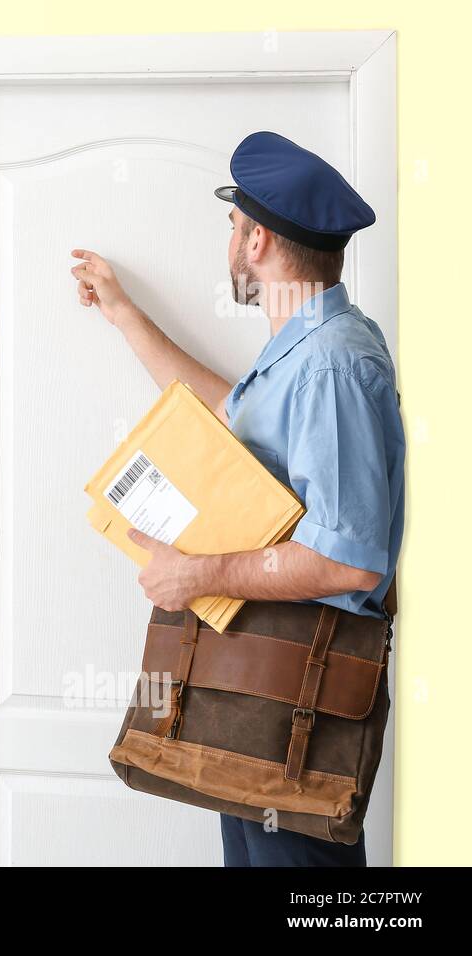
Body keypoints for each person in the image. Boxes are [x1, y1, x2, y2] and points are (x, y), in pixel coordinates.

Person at [70, 130, 404, 867]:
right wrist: (125, 315)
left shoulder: (330, 367)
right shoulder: (305, 352)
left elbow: (348, 562)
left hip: (296, 698)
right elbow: (231, 421)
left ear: (257, 241)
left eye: (232, 226)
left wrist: (197, 576)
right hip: (264, 694)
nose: (228, 242)